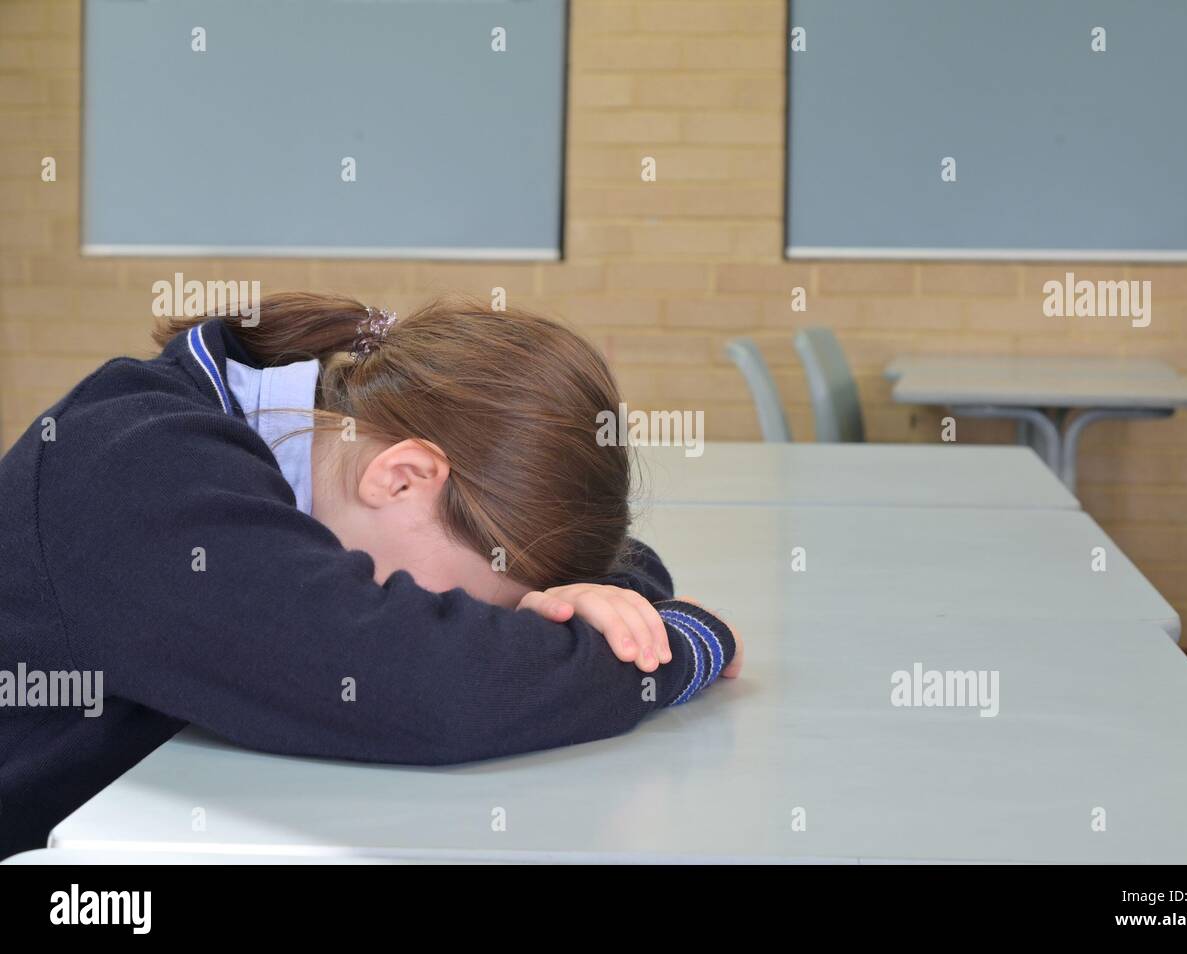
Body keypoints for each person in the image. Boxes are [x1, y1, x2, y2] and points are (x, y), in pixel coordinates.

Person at [0, 292, 740, 857]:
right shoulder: (141, 474)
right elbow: (429, 685)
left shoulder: (302, 431)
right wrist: (674, 646)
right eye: (465, 607)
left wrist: (610, 602)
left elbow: (623, 557)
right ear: (406, 476)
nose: (469, 622)